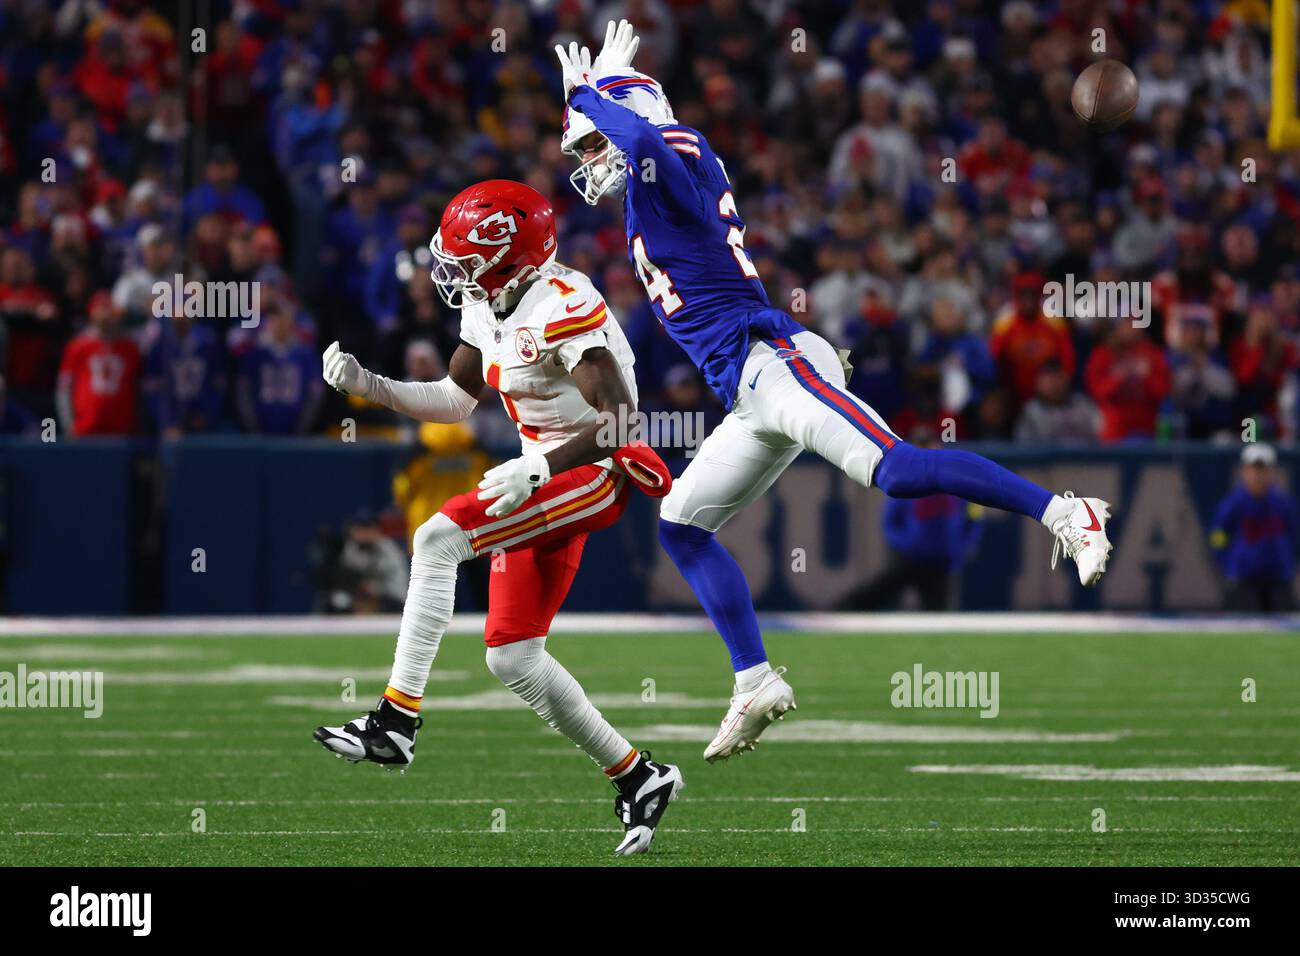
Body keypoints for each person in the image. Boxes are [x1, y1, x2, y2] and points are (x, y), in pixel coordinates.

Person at [555, 21, 1114, 762]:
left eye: (593, 143)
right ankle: (753, 679)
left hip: (779, 363)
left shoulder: (674, 151)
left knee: (900, 471)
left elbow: (655, 145)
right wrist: (597, 103)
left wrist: (596, 96)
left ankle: (1067, 513)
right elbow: (647, 153)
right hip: (749, 391)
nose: (589, 160)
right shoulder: (649, 186)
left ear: (634, 122)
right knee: (682, 524)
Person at [312, 180, 683, 856]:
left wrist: (540, 466)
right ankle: (639, 775)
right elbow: (456, 399)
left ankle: (395, 721)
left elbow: (623, 420)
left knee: (436, 537)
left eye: (467, 259)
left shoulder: (563, 305)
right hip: (538, 472)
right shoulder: (490, 302)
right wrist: (371, 388)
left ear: (513, 256)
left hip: (592, 474)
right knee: (512, 656)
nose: (455, 275)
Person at [1210, 443, 1298, 612]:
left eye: (1263, 469)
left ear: (1272, 472)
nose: (1258, 475)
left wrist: (1289, 561)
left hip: (1278, 577)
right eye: (1253, 469)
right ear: (1244, 471)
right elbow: (1218, 535)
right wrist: (1228, 562)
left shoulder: (1283, 503)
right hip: (1244, 579)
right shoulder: (1233, 504)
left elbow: (1294, 536)